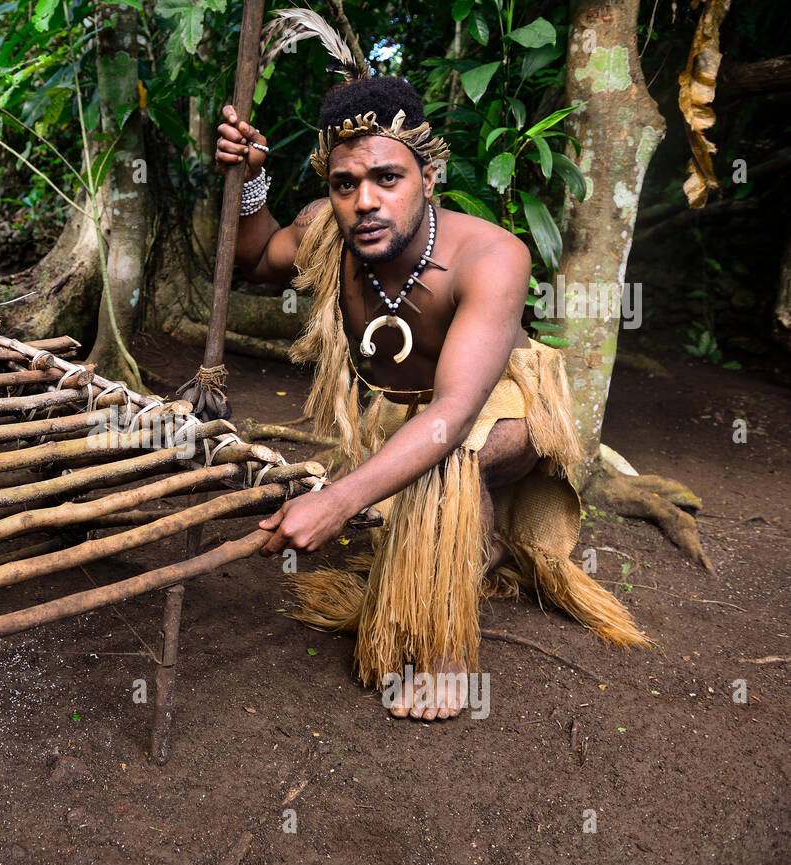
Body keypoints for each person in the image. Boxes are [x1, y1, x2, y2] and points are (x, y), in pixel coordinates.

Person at [216, 71, 651, 721]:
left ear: (427, 174)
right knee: (422, 467)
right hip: (410, 409)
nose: (364, 201)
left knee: (453, 460)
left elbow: (453, 414)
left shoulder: (491, 256)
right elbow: (255, 259)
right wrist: (250, 181)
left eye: (386, 178)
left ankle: (449, 656)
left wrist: (337, 500)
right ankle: (486, 548)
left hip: (500, 403)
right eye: (344, 184)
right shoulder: (326, 231)